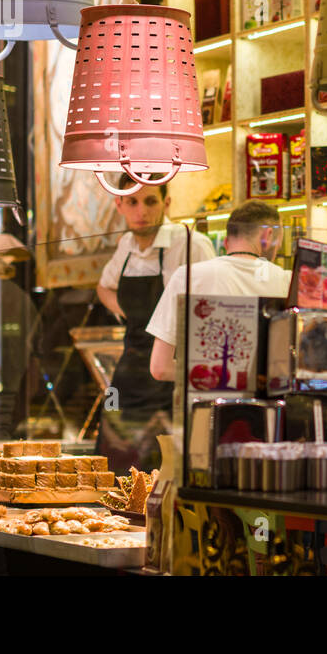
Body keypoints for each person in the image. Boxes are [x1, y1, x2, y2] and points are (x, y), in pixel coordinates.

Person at [94, 175, 214, 472]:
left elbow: (213, 305)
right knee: (114, 461)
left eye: (150, 201)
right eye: (132, 202)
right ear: (119, 205)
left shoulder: (191, 244)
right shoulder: (126, 244)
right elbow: (103, 287)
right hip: (129, 371)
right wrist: (128, 313)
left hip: (169, 372)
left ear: (166, 203)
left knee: (163, 468)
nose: (142, 212)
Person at [147, 200, 292, 386]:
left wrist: (215, 375)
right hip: (270, 399)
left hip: (205, 401)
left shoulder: (188, 275)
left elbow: (160, 368)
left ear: (226, 242)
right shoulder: (288, 281)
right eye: (279, 244)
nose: (277, 250)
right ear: (268, 235)